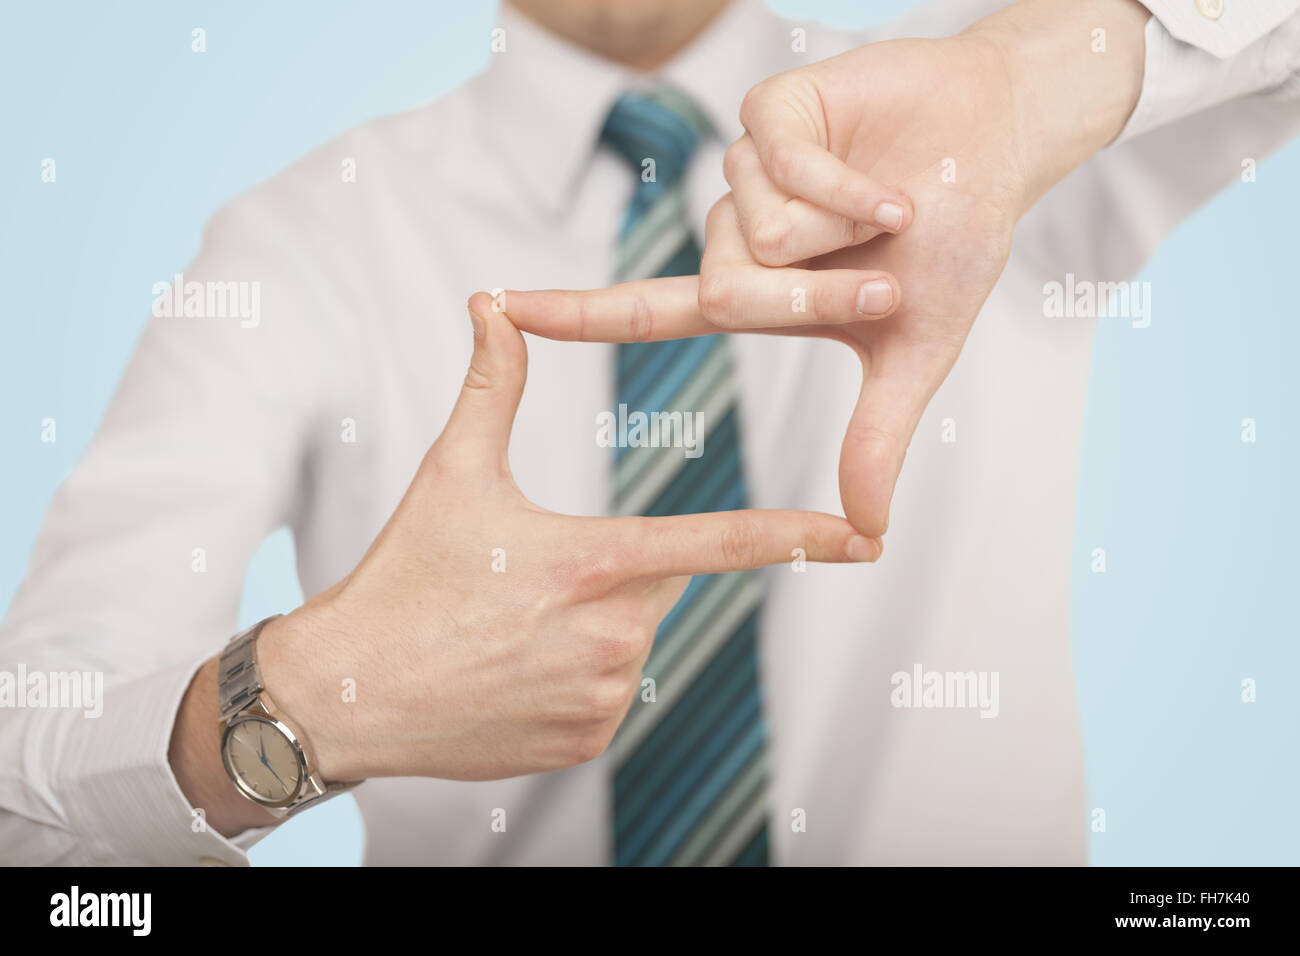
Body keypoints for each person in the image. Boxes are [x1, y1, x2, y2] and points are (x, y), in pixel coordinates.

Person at [2, 0, 1297, 866]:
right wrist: (286, 707)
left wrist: (1038, 75)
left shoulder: (990, 124)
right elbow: (25, 785)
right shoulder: (295, 245)